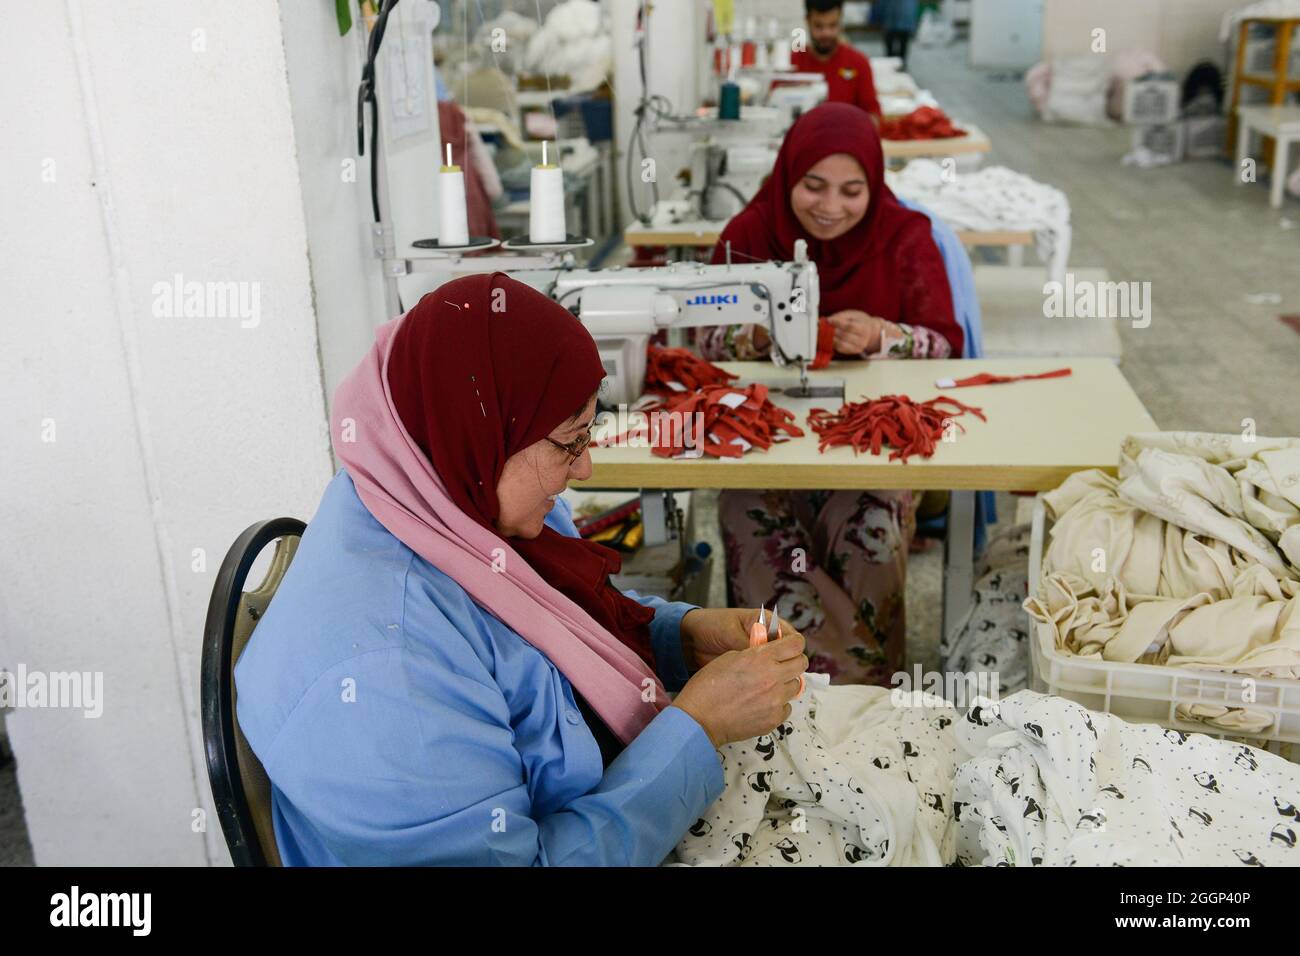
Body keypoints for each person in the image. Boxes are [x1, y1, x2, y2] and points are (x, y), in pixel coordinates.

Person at [234, 273, 808, 866]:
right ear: (477, 438)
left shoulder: (439, 497)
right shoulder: (390, 675)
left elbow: (555, 618)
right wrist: (700, 729)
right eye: (568, 442)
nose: (585, 467)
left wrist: (680, 635)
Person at [699, 103, 961, 685]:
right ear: (788, 174)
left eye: (851, 191)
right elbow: (700, 334)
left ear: (875, 184)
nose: (830, 207)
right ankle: (779, 682)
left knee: (871, 519)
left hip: (875, 447)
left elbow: (946, 343)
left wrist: (882, 335)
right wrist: (758, 335)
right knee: (746, 509)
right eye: (813, 186)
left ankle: (842, 685)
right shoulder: (749, 233)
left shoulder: (905, 238)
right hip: (767, 442)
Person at [791, 0, 881, 121]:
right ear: (807, 21)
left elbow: (872, 113)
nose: (826, 33)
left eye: (832, 25)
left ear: (840, 21)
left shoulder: (859, 63)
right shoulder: (792, 63)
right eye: (818, 26)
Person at [875, 0, 920, 71]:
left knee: (898, 48)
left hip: (896, 23)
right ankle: (895, 65)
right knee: (898, 48)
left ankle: (896, 66)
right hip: (898, 23)